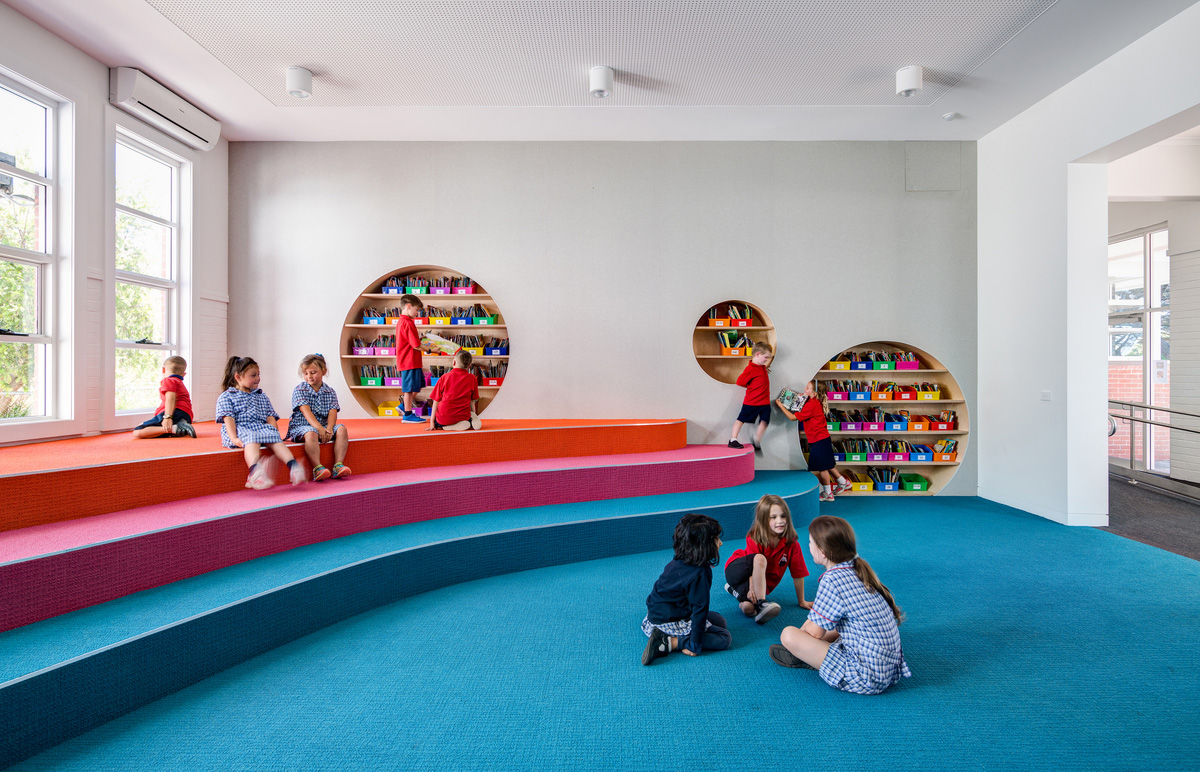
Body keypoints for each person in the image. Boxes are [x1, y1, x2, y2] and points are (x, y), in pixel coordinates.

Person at [769, 515, 911, 695]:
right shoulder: (856, 568)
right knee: (835, 623)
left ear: (822, 551)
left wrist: (800, 644)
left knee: (788, 635)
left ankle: (810, 658)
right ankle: (812, 654)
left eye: (811, 542)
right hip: (887, 671)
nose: (809, 546)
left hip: (865, 676)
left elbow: (814, 632)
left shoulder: (832, 580)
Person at [641, 513, 731, 665]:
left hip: (655, 617)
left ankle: (666, 636)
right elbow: (699, 609)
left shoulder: (681, 559)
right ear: (703, 545)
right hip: (669, 622)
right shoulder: (700, 573)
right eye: (716, 539)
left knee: (720, 620)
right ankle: (670, 642)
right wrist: (694, 645)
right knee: (724, 638)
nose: (721, 543)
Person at [217, 356, 305, 489]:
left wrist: (273, 431)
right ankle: (255, 472)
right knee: (251, 438)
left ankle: (293, 466)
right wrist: (234, 438)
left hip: (260, 427)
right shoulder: (227, 396)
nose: (258, 378)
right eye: (253, 375)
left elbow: (270, 416)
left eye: (258, 374)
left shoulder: (261, 395)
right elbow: (228, 419)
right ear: (238, 377)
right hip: (240, 428)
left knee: (276, 439)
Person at [723, 494, 810, 624]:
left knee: (748, 609)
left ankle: (733, 590)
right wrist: (753, 590)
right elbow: (755, 564)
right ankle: (762, 603)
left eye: (783, 516)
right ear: (764, 520)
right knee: (760, 558)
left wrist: (801, 601)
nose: (779, 521)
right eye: (773, 517)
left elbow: (798, 573)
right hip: (737, 569)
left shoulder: (792, 544)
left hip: (759, 582)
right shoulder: (755, 537)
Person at [775, 379, 851, 502]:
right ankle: (843, 482)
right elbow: (804, 405)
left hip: (818, 439)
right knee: (827, 464)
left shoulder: (811, 405)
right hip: (822, 438)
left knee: (823, 468)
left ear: (814, 393)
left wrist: (781, 406)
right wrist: (802, 397)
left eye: (807, 388)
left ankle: (828, 493)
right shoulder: (814, 401)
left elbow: (793, 418)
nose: (804, 390)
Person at [286, 353, 351, 481]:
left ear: (323, 371)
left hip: (323, 426)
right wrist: (319, 429)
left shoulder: (330, 391)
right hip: (302, 426)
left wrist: (329, 428)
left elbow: (333, 412)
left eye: (313, 372)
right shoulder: (299, 390)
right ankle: (317, 468)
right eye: (306, 373)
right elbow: (306, 412)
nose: (309, 376)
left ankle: (338, 465)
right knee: (311, 433)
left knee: (342, 429)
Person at [132, 355, 196, 439]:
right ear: (184, 374)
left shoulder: (169, 380)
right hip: (185, 416)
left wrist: (167, 417)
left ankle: (175, 428)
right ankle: (178, 428)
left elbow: (170, 398)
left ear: (163, 370)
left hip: (174, 413)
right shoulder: (178, 382)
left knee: (137, 432)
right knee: (143, 425)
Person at [728, 342, 773, 450]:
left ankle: (756, 438)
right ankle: (733, 439)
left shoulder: (762, 367)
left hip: (764, 403)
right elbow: (740, 382)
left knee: (765, 420)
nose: (767, 360)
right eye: (765, 357)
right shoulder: (750, 369)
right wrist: (752, 389)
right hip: (752, 402)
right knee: (741, 419)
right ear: (757, 354)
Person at [425, 349, 482, 431]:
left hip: (443, 419)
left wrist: (432, 423)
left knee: (440, 421)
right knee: (468, 417)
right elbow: (472, 401)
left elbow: (436, 401)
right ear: (469, 366)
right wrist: (474, 415)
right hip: (463, 417)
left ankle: (444, 426)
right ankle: (471, 421)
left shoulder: (444, 377)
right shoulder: (472, 378)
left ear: (454, 362)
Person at [395, 294, 427, 423]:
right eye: (417, 310)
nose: (418, 313)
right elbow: (416, 346)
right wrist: (431, 350)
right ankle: (407, 415)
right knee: (409, 389)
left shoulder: (405, 322)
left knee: (418, 385)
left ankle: (403, 406)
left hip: (413, 361)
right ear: (408, 306)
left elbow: (411, 341)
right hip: (409, 361)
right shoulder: (407, 323)